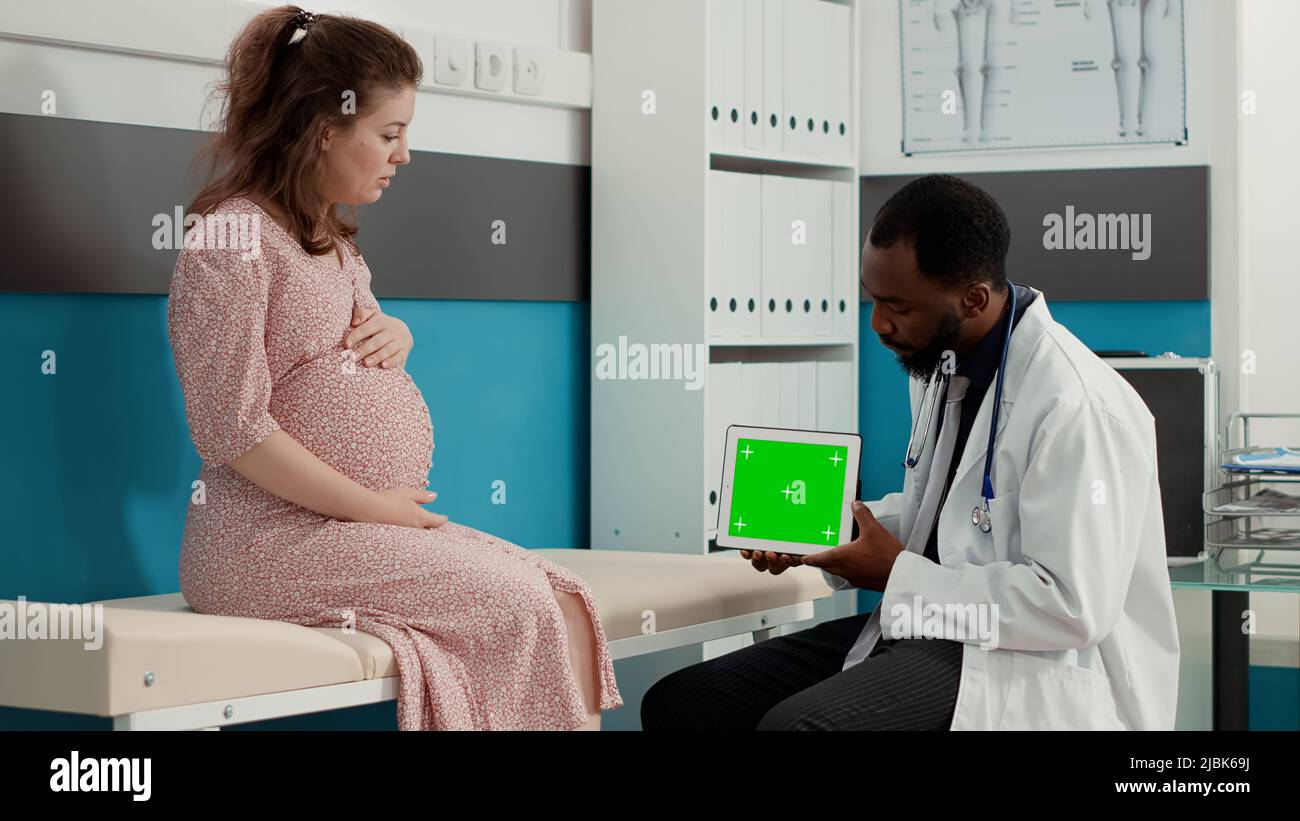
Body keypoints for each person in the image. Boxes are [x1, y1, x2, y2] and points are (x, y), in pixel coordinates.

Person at [167, 5, 622, 730]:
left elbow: (337, 349)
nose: (403, 155)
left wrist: (397, 334)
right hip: (262, 542)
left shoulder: (333, 245)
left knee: (563, 595)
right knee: (518, 603)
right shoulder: (232, 240)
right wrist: (375, 506)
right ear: (323, 127)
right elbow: (233, 430)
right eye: (390, 133)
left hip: (341, 529)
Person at [642, 174, 1178, 730]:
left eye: (897, 306)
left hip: (1030, 660)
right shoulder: (941, 362)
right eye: (873, 299)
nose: (878, 324)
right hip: (932, 622)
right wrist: (831, 531)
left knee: (799, 729)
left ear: (973, 299)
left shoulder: (1076, 404)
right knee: (682, 702)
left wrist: (895, 573)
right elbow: (954, 517)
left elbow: (1072, 606)